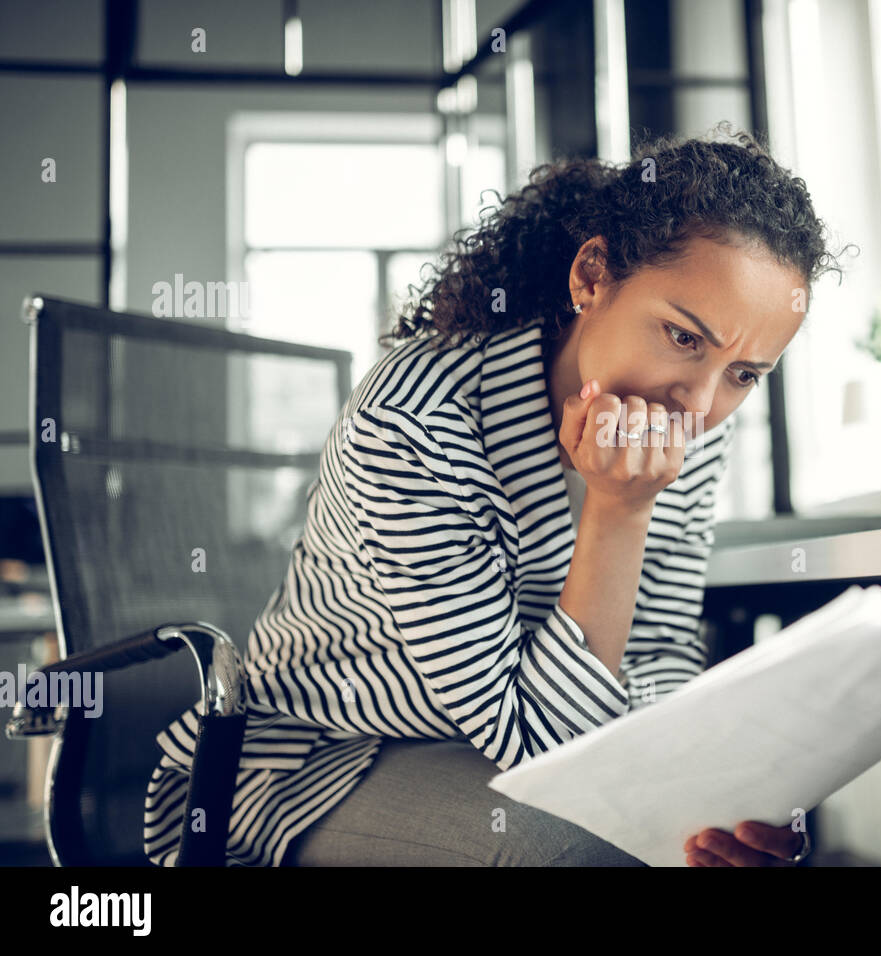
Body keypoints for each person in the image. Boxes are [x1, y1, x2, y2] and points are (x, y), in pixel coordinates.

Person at [142, 122, 845, 867]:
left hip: (519, 755)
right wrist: (619, 512)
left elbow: (661, 647)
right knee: (575, 857)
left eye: (744, 375)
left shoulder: (686, 427)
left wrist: (706, 797)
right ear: (592, 278)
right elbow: (537, 741)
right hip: (312, 762)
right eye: (682, 337)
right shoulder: (417, 423)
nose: (700, 403)